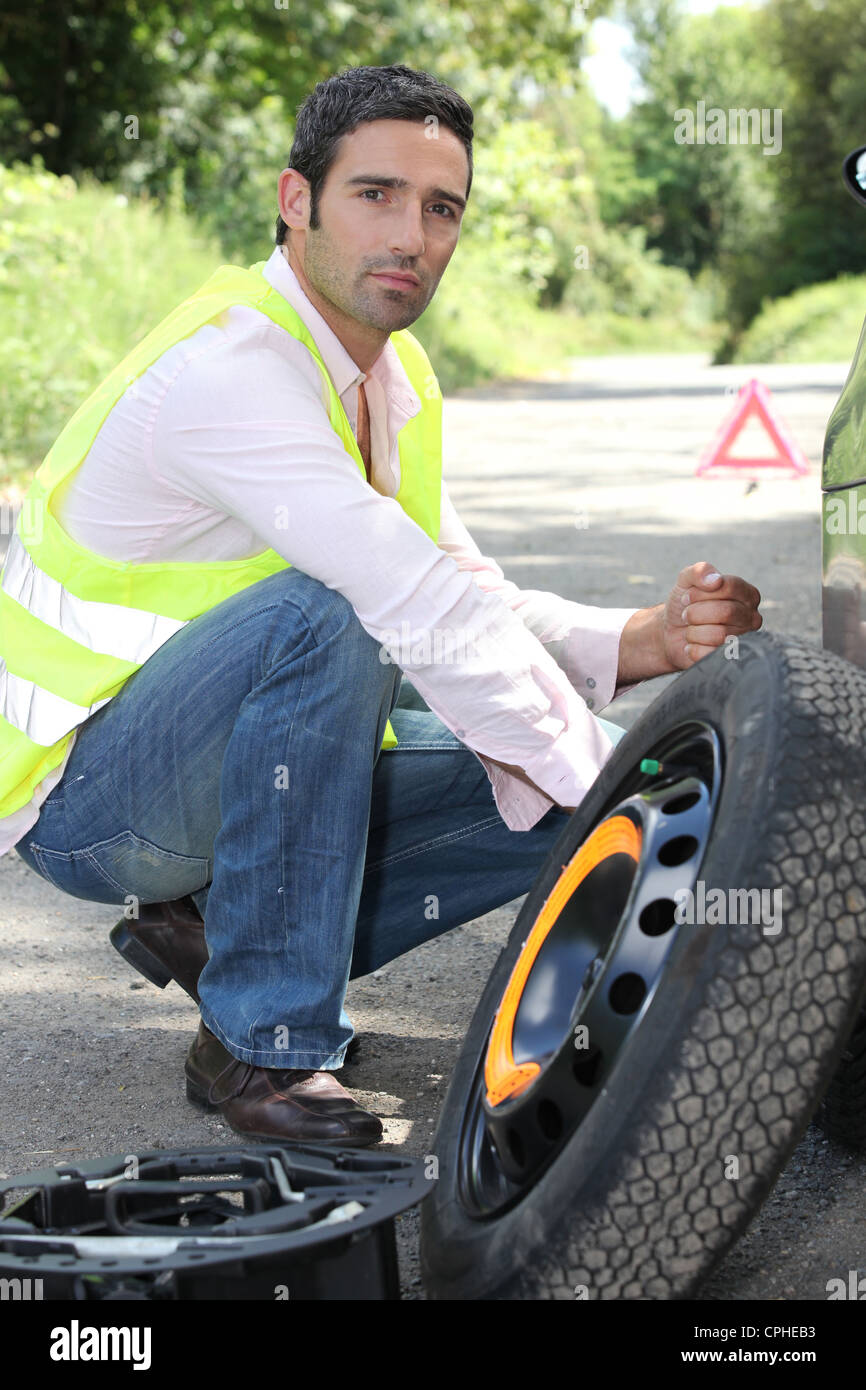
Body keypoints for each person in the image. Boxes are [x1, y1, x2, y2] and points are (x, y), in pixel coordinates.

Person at [3, 64, 761, 1147]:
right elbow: (404, 601)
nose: (409, 233)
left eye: (439, 207)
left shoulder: (385, 380)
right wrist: (618, 780)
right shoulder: (234, 371)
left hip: (204, 774)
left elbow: (459, 589)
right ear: (295, 200)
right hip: (87, 796)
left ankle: (225, 936)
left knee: (536, 787)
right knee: (338, 622)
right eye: (375, 195)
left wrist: (631, 645)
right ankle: (270, 1049)